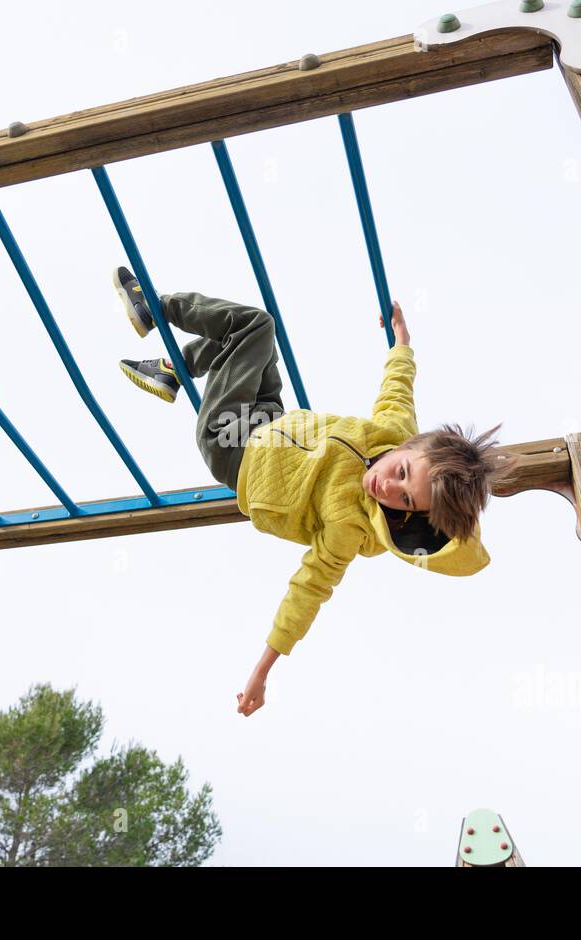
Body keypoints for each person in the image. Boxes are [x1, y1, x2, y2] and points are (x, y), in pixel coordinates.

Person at [111, 267, 516, 717]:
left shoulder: (350, 526)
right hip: (269, 418)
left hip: (232, 446)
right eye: (400, 472)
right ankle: (174, 370)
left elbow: (309, 590)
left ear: (408, 516)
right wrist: (403, 340)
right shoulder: (394, 432)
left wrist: (261, 672)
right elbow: (398, 392)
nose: (388, 487)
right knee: (259, 340)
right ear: (409, 447)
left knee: (254, 326)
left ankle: (157, 307)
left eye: (403, 500)